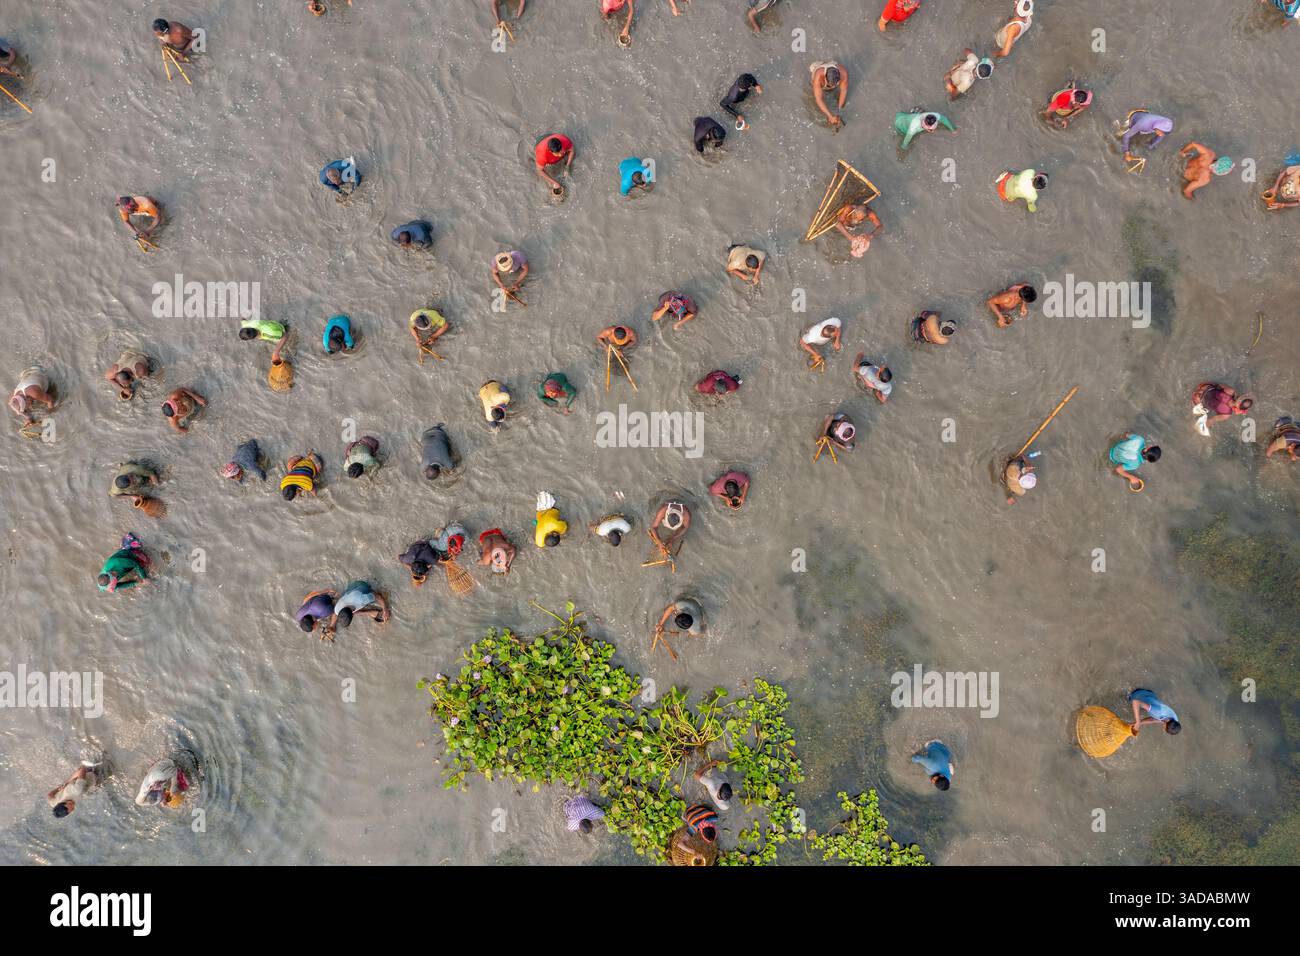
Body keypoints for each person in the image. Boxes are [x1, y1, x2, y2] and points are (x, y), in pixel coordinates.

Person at [809, 61, 848, 128]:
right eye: (831, 85)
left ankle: (827, 62)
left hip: (833, 64)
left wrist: (839, 111)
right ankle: (820, 64)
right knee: (812, 82)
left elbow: (843, 91)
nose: (833, 87)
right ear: (825, 77)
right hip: (818, 68)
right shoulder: (818, 77)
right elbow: (818, 99)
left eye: (834, 85)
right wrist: (830, 116)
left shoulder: (843, 73)